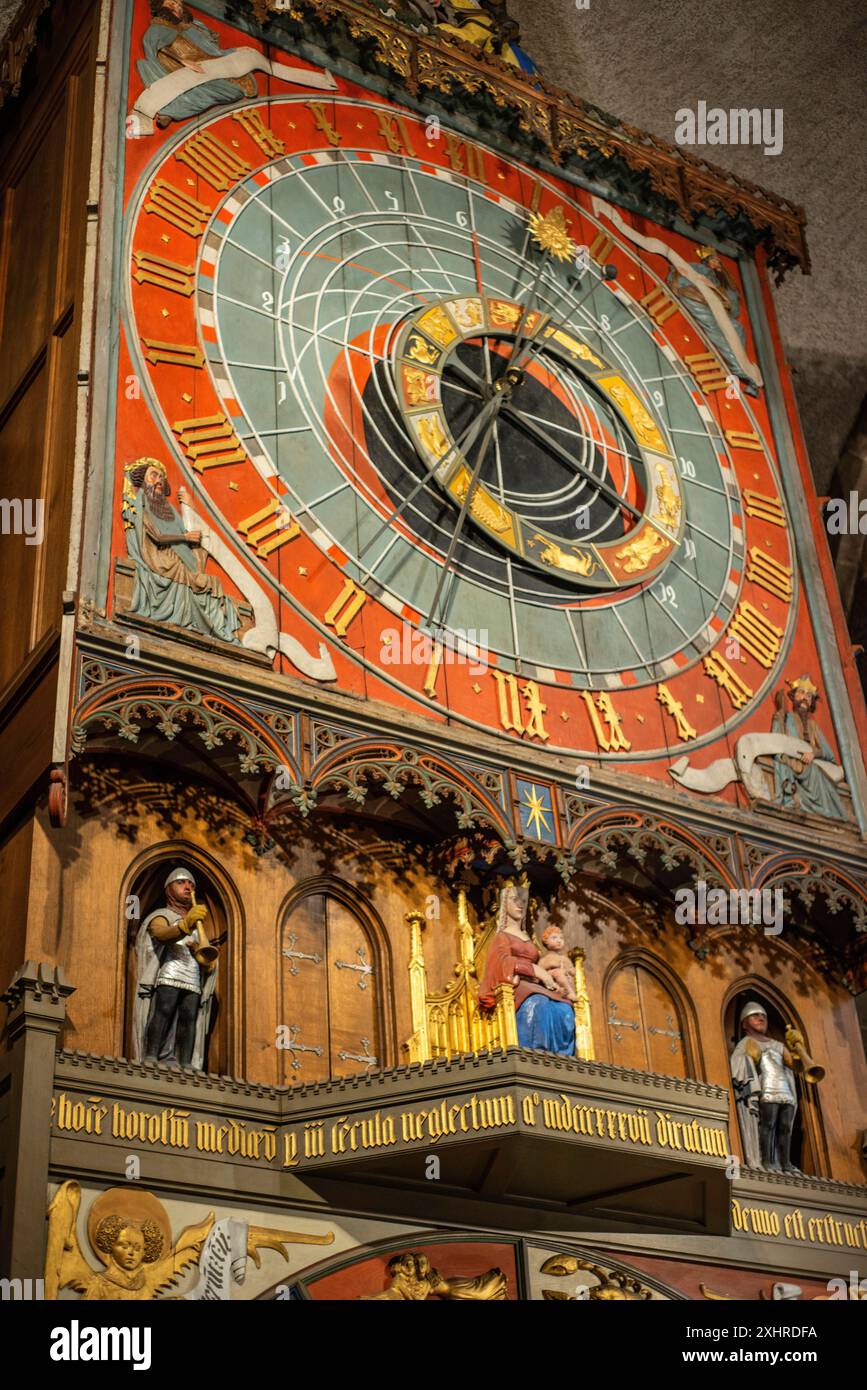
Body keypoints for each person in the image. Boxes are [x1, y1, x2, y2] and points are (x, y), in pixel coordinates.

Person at [122, 458, 240, 643]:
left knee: (211, 581)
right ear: (143, 479)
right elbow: (158, 536)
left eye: (162, 477)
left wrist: (191, 509)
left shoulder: (168, 509)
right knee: (184, 572)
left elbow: (190, 533)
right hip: (158, 557)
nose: (159, 480)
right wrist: (185, 538)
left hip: (176, 555)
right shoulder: (142, 503)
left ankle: (218, 628)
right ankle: (201, 623)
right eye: (154, 475)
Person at [133, 867, 218, 1072]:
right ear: (168, 889)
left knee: (189, 1016)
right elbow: (161, 934)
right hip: (171, 970)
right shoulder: (161, 915)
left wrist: (203, 956)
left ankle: (186, 1062)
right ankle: (152, 1054)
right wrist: (186, 923)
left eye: (191, 884)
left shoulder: (198, 924)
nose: (188, 887)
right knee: (164, 1010)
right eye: (181, 882)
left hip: (192, 975)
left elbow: (203, 955)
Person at [478, 884, 575, 1055]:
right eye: (514, 900)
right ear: (504, 905)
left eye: (523, 901)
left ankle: (562, 1058)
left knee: (565, 1009)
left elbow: (542, 965)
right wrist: (535, 971)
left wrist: (551, 975)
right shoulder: (502, 936)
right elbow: (501, 962)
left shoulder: (528, 938)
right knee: (538, 1003)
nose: (520, 905)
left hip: (535, 985)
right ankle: (534, 1054)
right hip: (517, 985)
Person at [137, 0, 256, 129]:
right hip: (180, 68)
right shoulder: (159, 26)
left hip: (208, 65)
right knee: (208, 92)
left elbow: (211, 51)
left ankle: (173, 109)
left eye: (178, 4)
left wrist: (234, 50)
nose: (176, 7)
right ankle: (172, 111)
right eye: (171, 4)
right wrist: (182, 61)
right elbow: (154, 46)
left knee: (235, 91)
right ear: (160, 6)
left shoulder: (192, 27)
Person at [730, 1001, 799, 1173]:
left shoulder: (778, 1045)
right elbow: (737, 1064)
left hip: (785, 1088)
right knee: (768, 1124)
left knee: (785, 1125)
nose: (761, 1018)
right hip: (767, 1089)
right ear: (745, 1023)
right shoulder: (746, 1043)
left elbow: (792, 1064)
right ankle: (768, 1160)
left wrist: (797, 1047)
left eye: (763, 1016)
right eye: (755, 1016)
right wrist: (748, 1058)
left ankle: (786, 1162)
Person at [772, 676, 846, 821]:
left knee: (816, 772)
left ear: (812, 702)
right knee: (790, 766)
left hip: (810, 766)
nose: (805, 697)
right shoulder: (785, 719)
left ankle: (825, 812)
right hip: (791, 761)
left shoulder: (813, 726)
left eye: (809, 695)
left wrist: (813, 753)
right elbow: (776, 743)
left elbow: (828, 753)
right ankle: (792, 799)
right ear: (794, 696)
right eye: (801, 692)